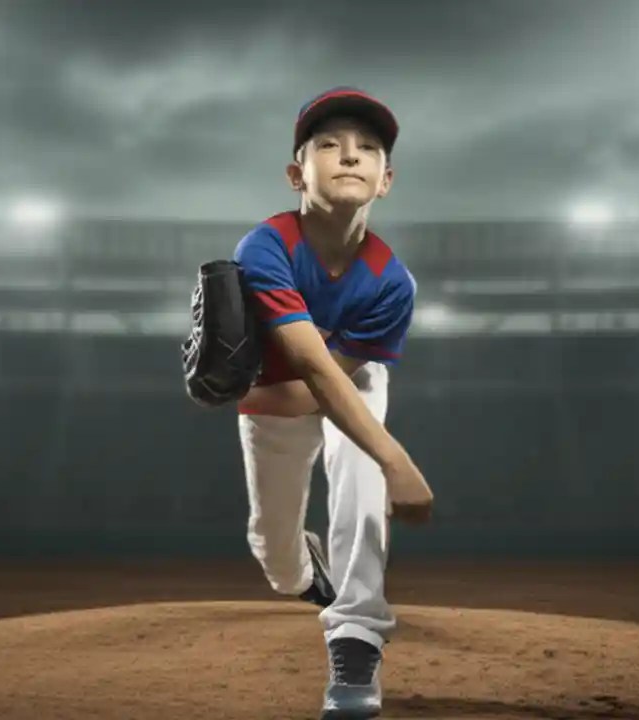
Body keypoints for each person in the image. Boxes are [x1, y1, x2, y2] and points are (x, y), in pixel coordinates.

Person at [231, 86, 435, 720]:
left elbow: (333, 378)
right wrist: (251, 394)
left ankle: (356, 637)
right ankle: (305, 575)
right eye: (329, 145)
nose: (350, 156)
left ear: (386, 180)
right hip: (275, 401)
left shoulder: (392, 282)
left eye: (368, 148)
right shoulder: (264, 248)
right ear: (297, 173)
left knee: (363, 468)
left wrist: (390, 460)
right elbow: (311, 375)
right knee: (275, 554)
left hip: (343, 378)